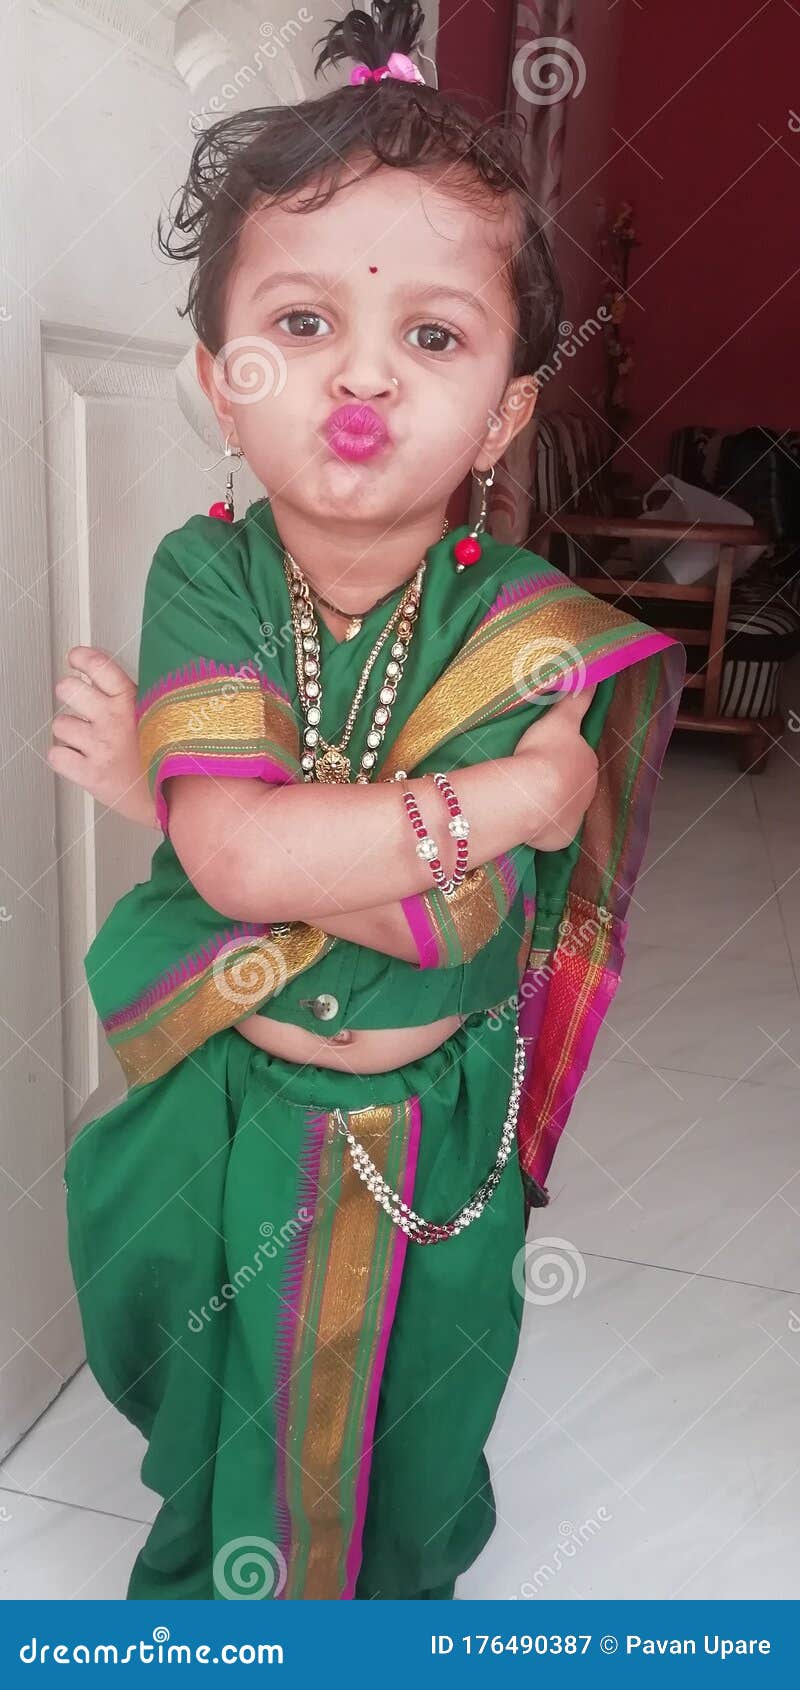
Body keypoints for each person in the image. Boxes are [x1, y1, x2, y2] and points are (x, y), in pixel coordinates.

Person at [50, 0, 686, 1601]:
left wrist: (217, 826)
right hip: (236, 1110)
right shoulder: (214, 573)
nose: (360, 379)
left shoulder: (523, 615)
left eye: (433, 336)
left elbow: (400, 902)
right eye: (303, 321)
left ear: (508, 410)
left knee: (416, 1431)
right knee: (225, 1432)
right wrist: (504, 804)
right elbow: (246, 851)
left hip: (440, 1123)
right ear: (217, 374)